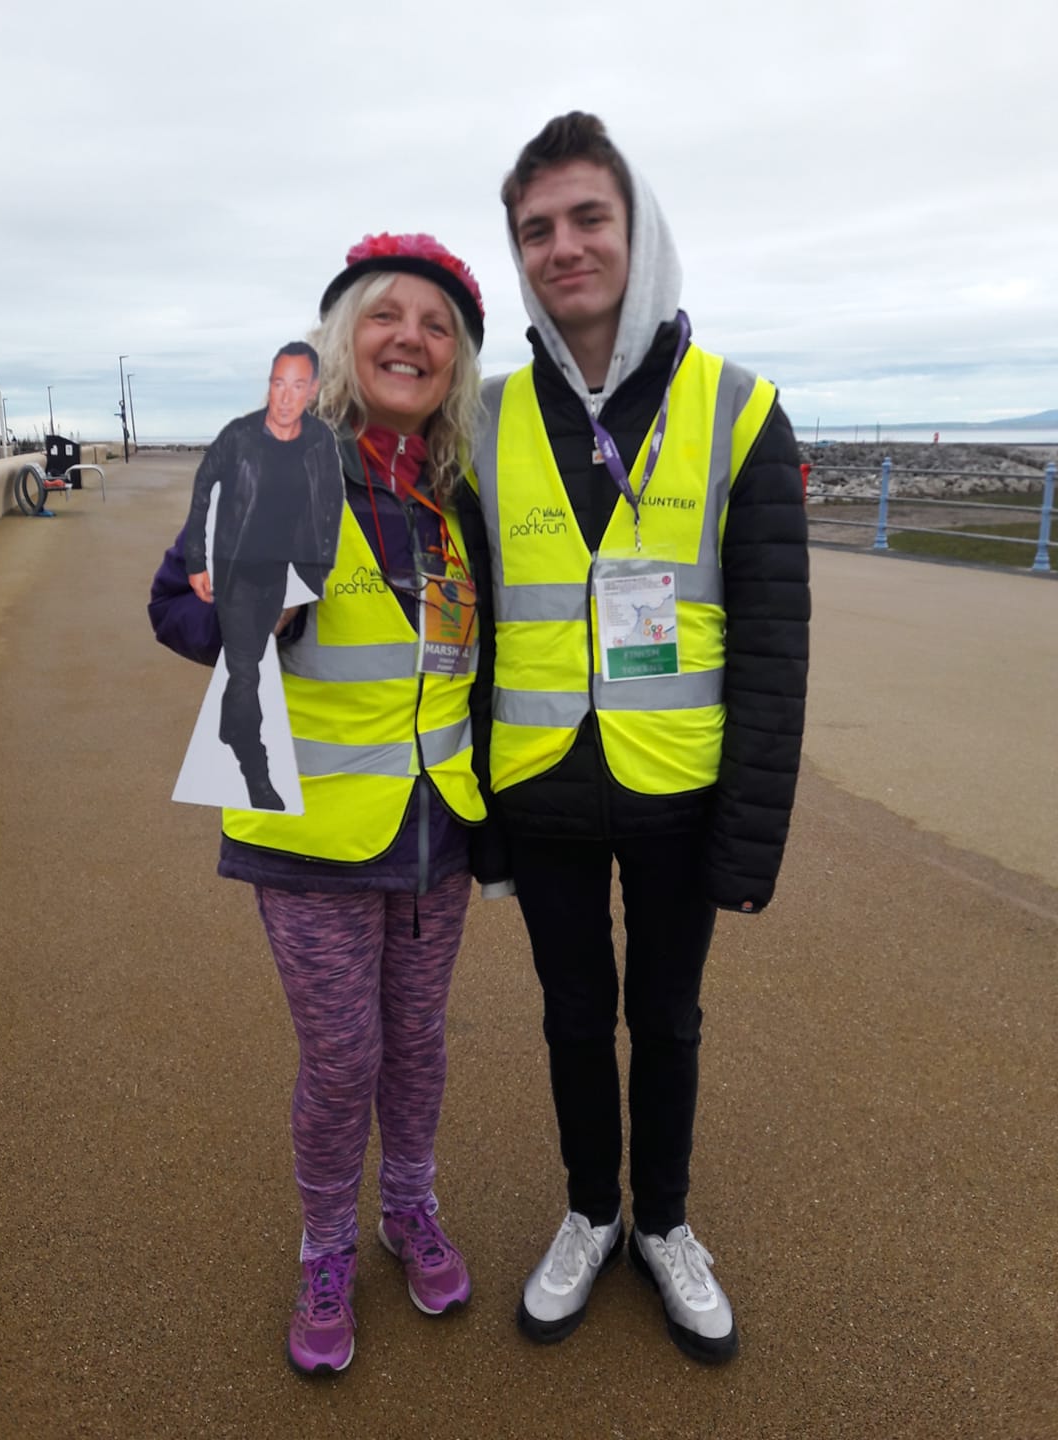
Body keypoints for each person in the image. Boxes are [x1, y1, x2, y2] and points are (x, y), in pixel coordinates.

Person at [468, 113, 810, 1363]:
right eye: (536, 230)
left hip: (682, 791)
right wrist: (479, 827)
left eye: (586, 218)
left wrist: (747, 839)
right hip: (541, 788)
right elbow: (466, 632)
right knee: (571, 1017)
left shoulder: (738, 408)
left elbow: (776, 649)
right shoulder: (485, 415)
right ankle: (587, 1210)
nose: (563, 248)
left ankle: (661, 1222)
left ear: (637, 226)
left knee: (666, 1018)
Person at [149, 233, 492, 1376]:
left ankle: (409, 1210)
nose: (412, 338)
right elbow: (179, 610)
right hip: (309, 835)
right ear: (343, 340)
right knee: (343, 1058)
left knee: (419, 1046)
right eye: (387, 316)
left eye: (438, 325)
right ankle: (324, 1246)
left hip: (436, 831)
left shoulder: (454, 500)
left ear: (458, 362)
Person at [183, 342, 345, 810]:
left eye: (297, 385)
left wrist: (314, 579)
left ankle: (232, 724)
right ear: (269, 385)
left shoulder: (320, 440)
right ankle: (256, 774)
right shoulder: (238, 435)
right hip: (236, 572)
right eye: (278, 383)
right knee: (246, 671)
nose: (285, 396)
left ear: (311, 390)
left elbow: (329, 508)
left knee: (251, 669)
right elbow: (201, 490)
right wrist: (197, 561)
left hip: (285, 574)